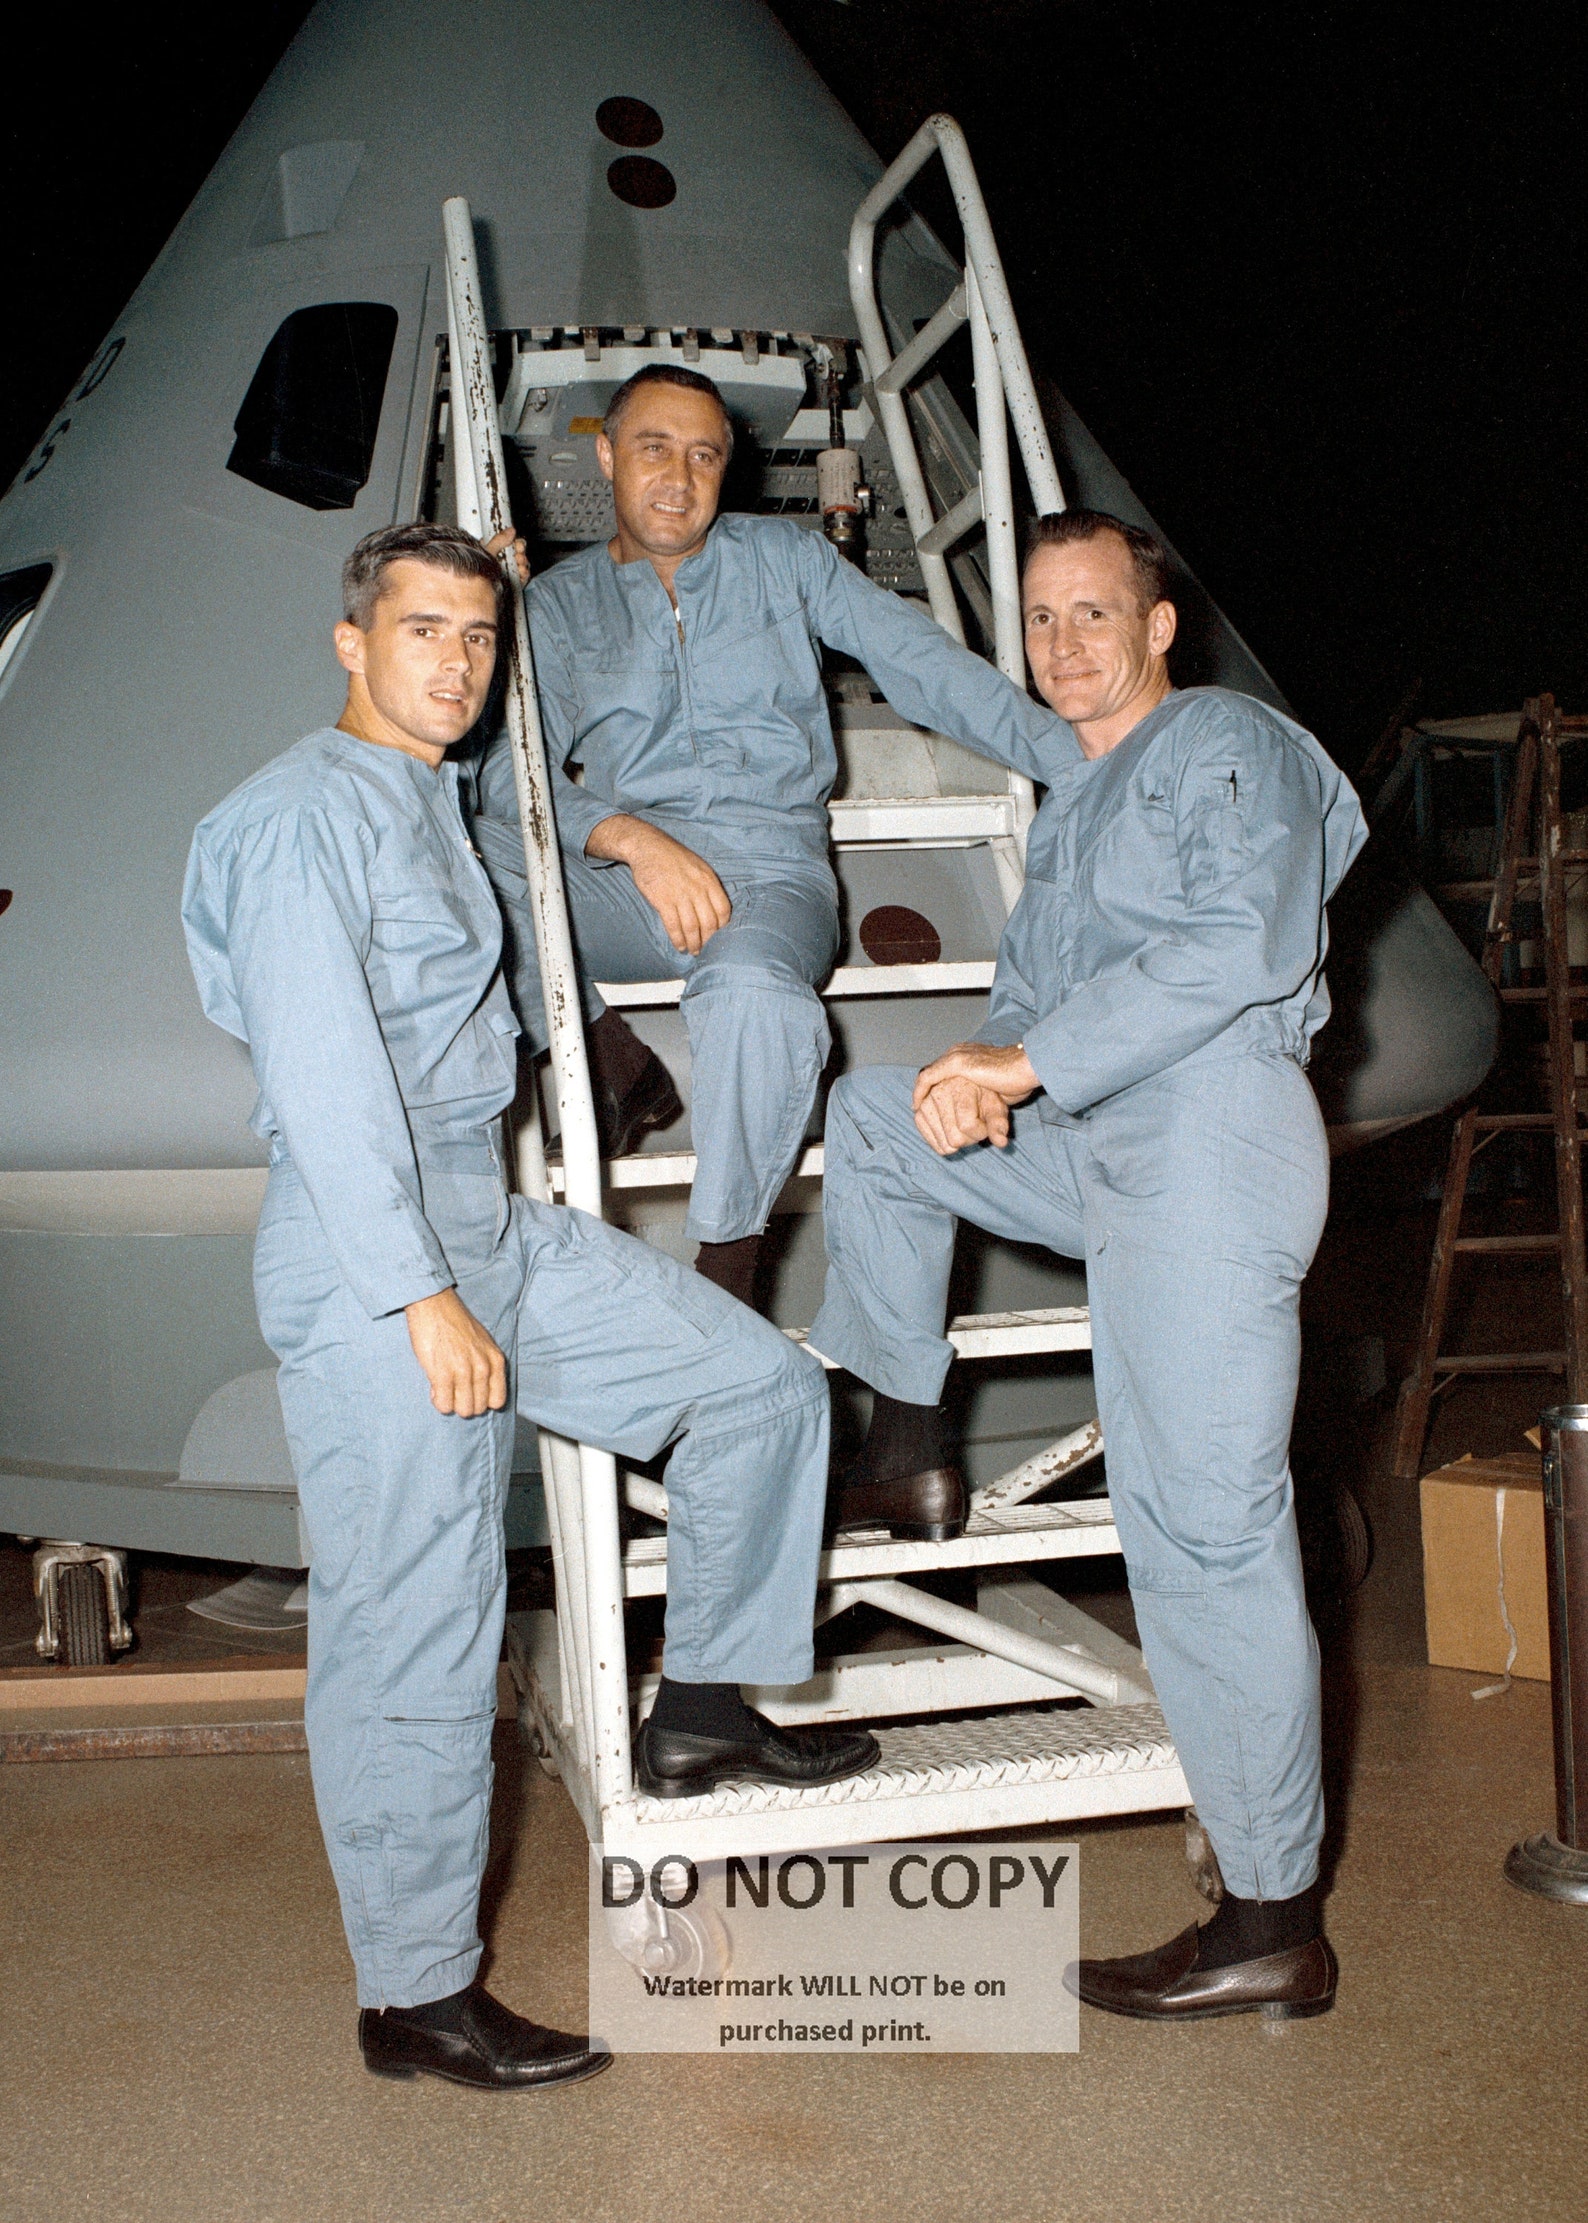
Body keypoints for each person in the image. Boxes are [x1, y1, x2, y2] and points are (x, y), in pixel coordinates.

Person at [181, 523, 876, 2091]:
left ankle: (699, 1696)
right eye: (422, 629)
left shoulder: (432, 795)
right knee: (418, 1625)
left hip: (491, 1219)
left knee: (759, 1387)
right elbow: (331, 1082)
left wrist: (499, 564)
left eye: (480, 638)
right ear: (349, 641)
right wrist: (421, 1293)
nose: (456, 661)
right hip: (382, 1254)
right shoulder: (299, 818)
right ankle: (416, 1995)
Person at [808, 507, 1366, 2022]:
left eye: (1092, 612)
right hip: (1107, 1145)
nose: (1064, 644)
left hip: (1207, 1136)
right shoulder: (1072, 803)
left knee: (1200, 1528)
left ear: (1157, 622)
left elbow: (1241, 944)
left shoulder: (1226, 746)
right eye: (1041, 619)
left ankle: (1270, 1912)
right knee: (877, 1115)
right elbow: (1016, 1026)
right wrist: (981, 1071)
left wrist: (1022, 1056)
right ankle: (909, 1433)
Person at [472, 362, 1066, 1341]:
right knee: (452, 849)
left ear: (727, 470)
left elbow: (914, 662)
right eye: (654, 447)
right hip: (624, 878)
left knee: (759, 1002)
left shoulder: (782, 562)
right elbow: (503, 770)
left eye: (704, 454)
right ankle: (610, 1055)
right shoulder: (558, 606)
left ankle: (723, 1280)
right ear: (607, 455)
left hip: (765, 875)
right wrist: (622, 834)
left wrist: (1073, 753)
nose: (679, 474)